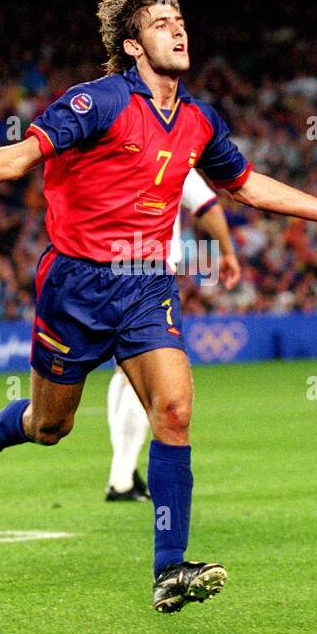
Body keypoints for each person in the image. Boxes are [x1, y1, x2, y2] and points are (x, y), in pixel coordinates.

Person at [0, 0, 317, 613]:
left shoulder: (196, 120)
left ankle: (169, 569)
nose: (178, 29)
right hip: (73, 285)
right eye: (161, 24)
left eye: (180, 19)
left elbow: (242, 185)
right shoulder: (98, 103)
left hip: (144, 282)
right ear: (133, 45)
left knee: (176, 410)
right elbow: (25, 155)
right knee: (51, 426)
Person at [105, 168, 239, 501]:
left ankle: (121, 471)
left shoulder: (118, 150)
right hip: (150, 270)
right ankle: (120, 478)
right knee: (148, 373)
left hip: (107, 263)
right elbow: (206, 205)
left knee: (124, 372)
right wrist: (226, 251)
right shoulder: (175, 152)